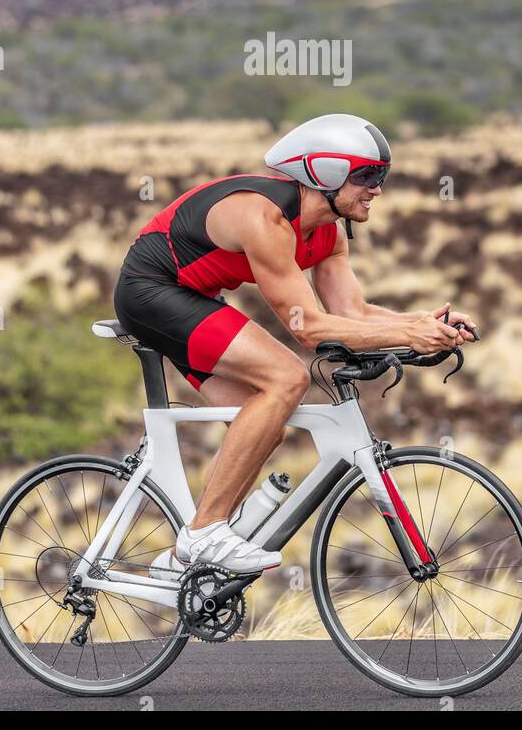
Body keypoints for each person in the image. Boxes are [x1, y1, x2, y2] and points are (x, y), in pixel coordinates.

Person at [113, 113, 477, 575]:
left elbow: (350, 315)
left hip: (195, 298)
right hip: (151, 291)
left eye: (381, 176)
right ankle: (204, 533)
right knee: (286, 378)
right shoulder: (264, 217)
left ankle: (182, 557)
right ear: (323, 174)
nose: (377, 189)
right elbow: (307, 327)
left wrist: (425, 324)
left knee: (267, 422)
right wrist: (409, 334)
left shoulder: (329, 230)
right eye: (366, 175)